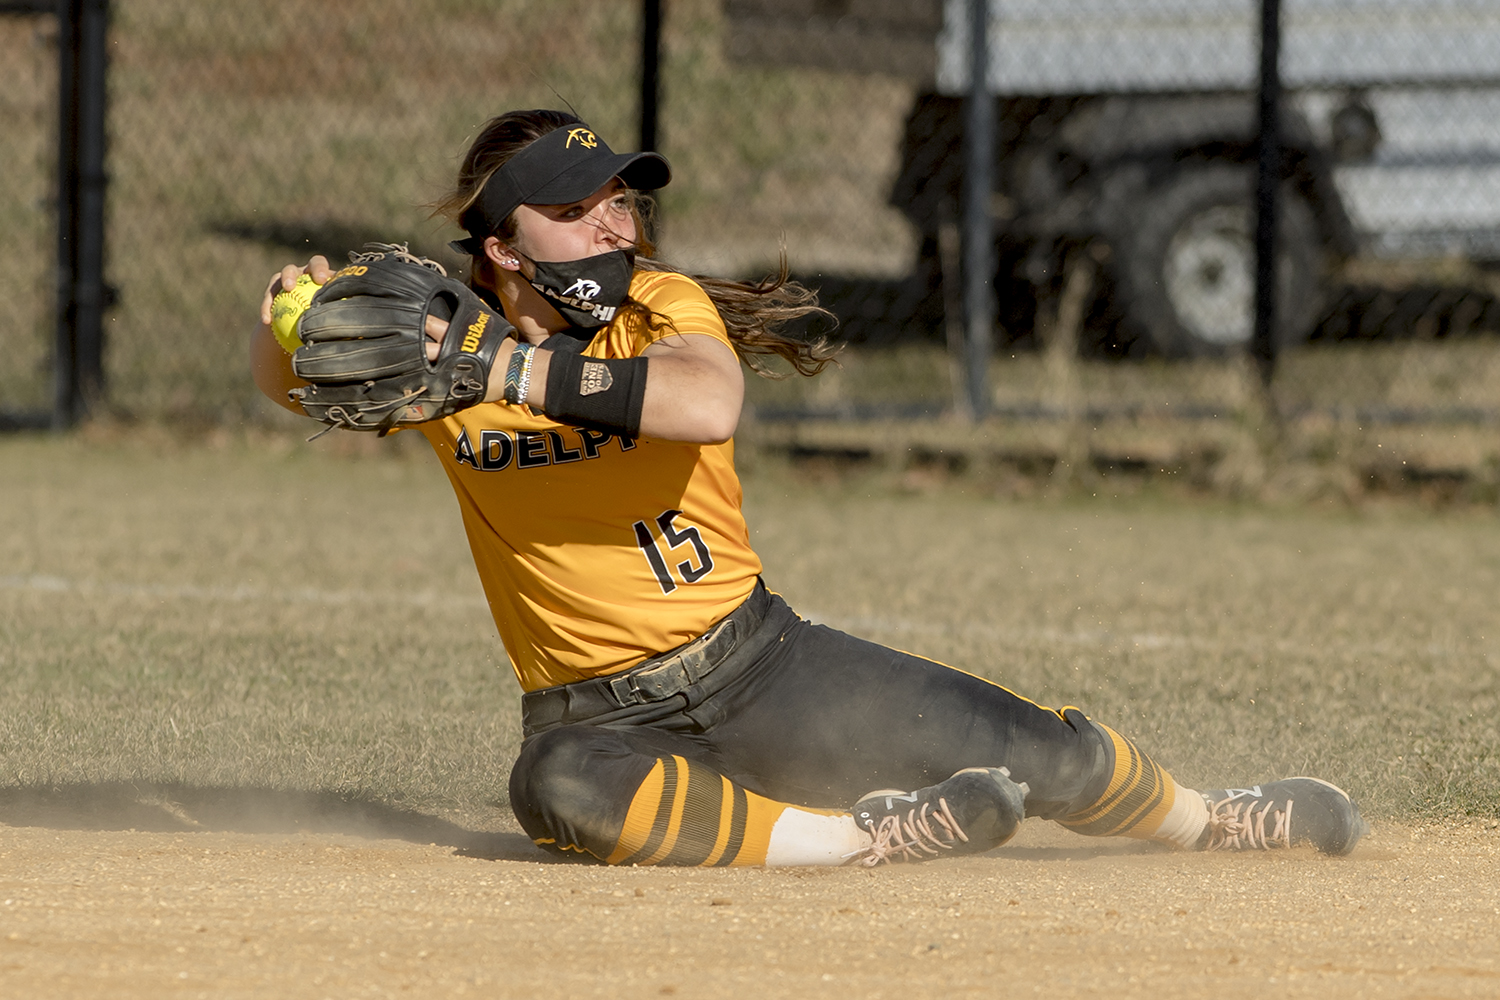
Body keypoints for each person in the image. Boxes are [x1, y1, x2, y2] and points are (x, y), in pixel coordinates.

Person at [252, 109, 1368, 867]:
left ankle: (1215, 819)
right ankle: (860, 840)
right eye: (577, 206)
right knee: (555, 788)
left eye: (622, 202)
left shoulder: (658, 305)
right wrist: (288, 321)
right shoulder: (442, 351)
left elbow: (703, 402)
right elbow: (295, 386)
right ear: (500, 242)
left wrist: (510, 370)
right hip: (597, 712)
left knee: (1047, 751)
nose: (615, 224)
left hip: (762, 666)